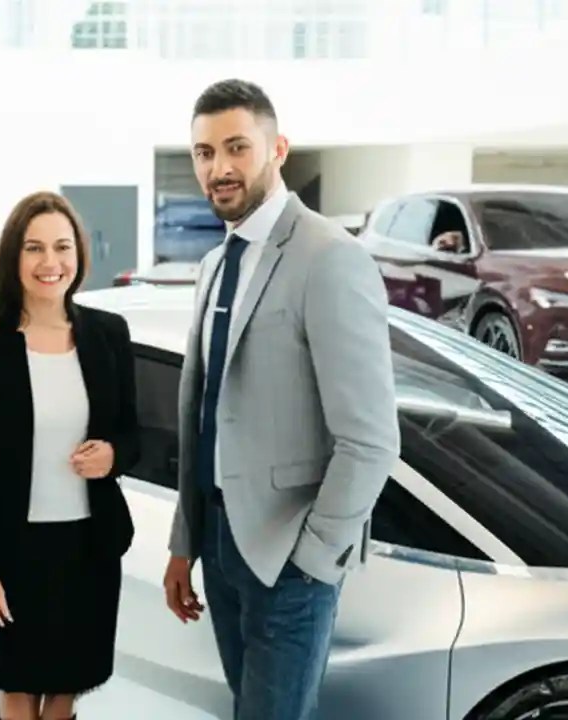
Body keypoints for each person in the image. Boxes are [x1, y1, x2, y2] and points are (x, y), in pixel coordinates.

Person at [161, 78, 400, 719]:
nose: (220, 168)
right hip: (218, 543)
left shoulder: (329, 257)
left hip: (290, 557)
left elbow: (372, 439)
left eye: (237, 147)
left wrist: (313, 559)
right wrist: (186, 540)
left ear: (279, 148)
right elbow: (203, 412)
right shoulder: (216, 263)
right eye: (204, 153)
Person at [0, 191, 140, 720]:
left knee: (63, 701)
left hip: (88, 552)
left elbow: (133, 435)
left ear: (79, 255)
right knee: (17, 697)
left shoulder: (107, 334)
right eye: (34, 248)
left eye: (62, 247)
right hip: (12, 554)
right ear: (14, 257)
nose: (50, 263)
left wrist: (113, 456)